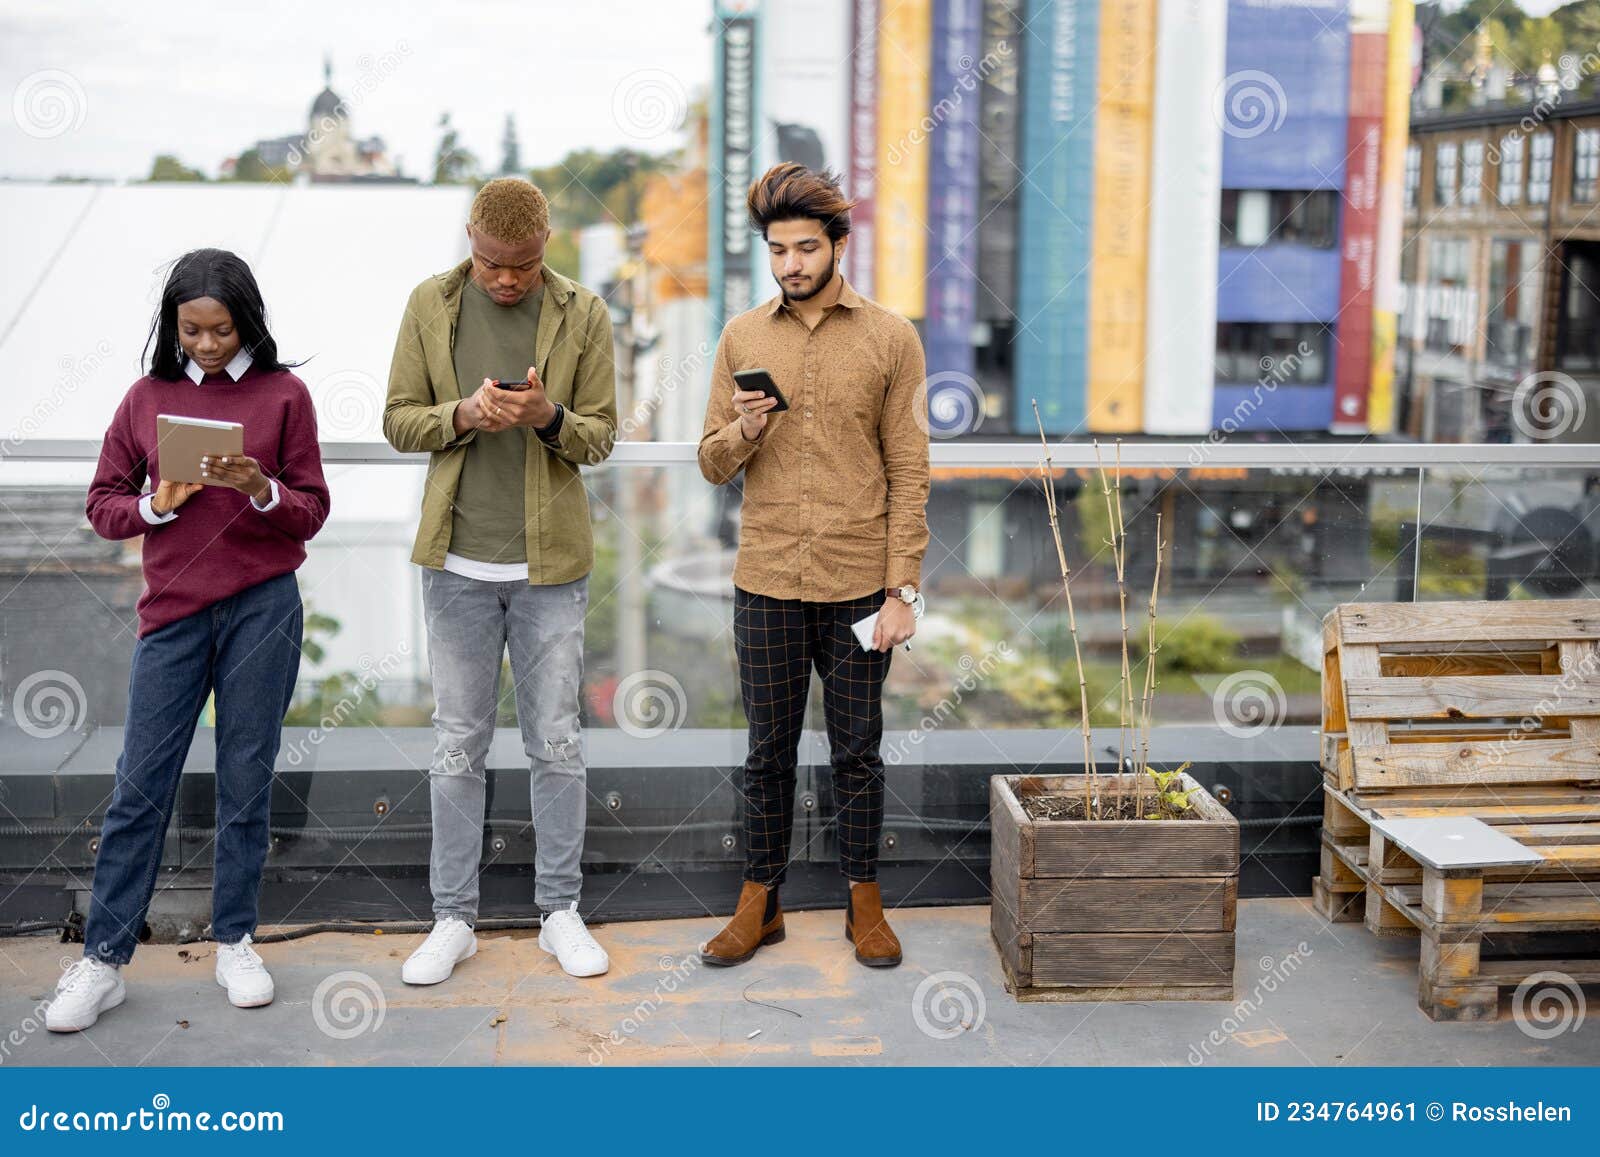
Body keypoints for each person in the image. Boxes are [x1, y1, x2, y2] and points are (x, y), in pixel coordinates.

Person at [47, 248, 330, 1032]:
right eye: (190, 330)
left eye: (221, 328)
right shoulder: (146, 398)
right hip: (172, 613)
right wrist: (158, 505)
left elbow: (311, 509)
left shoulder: (284, 396)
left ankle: (235, 939)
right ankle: (103, 957)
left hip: (263, 608)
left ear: (247, 321)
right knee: (140, 785)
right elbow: (103, 506)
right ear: (172, 327)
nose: (206, 344)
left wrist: (259, 487)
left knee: (246, 778)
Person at [384, 178, 617, 984]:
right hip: (456, 563)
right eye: (490, 263)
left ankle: (559, 910)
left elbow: (600, 439)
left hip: (552, 566)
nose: (506, 280)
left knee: (557, 741)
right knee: (458, 744)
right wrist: (463, 416)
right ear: (472, 242)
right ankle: (453, 917)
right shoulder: (430, 302)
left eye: (521, 265)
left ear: (545, 244)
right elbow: (397, 418)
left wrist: (547, 417)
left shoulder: (583, 312)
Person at [697, 163, 931, 969]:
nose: (790, 264)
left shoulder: (892, 338)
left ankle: (863, 899)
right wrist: (745, 431)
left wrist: (904, 590)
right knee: (767, 749)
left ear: (838, 244)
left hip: (861, 582)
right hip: (764, 577)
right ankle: (759, 901)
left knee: (857, 749)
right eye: (777, 250)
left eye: (804, 247)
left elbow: (910, 468)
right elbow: (709, 463)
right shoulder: (741, 337)